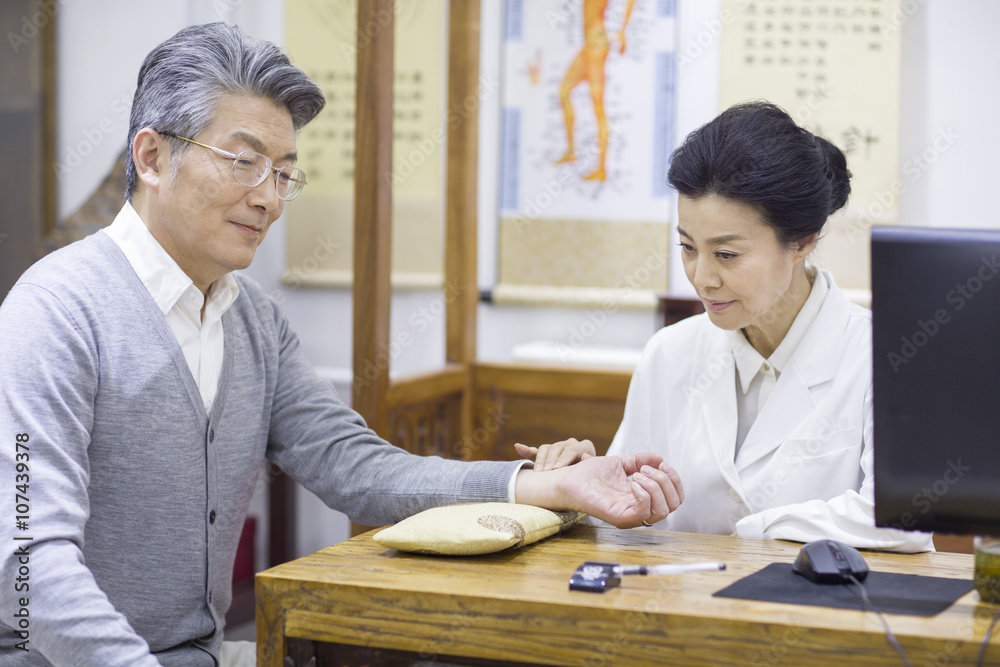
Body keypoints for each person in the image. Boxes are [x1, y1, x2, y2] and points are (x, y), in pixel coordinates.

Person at [0, 23, 683, 667]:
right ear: (151, 156)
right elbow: (28, 562)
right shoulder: (55, 312)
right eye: (244, 161)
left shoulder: (254, 322)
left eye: (284, 171)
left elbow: (360, 468)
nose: (269, 197)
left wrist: (545, 484)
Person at [524, 102, 934, 553]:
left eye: (727, 255)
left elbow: (902, 524)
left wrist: (751, 530)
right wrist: (582, 485)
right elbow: (629, 518)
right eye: (687, 247)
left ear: (802, 242)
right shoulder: (670, 352)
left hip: (832, 615)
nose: (702, 278)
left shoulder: (886, 356)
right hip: (691, 610)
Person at [554, 0, 635, 181]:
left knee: (598, 107)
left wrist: (623, 31)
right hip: (589, 43)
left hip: (596, 44)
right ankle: (571, 151)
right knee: (564, 91)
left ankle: (601, 169)